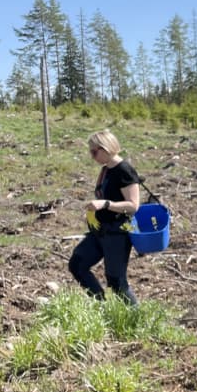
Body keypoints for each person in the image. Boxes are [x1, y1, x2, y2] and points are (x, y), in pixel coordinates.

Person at [68, 129, 141, 307]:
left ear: (106, 148)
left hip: (118, 232)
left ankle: (137, 318)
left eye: (94, 152)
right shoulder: (105, 170)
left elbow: (133, 205)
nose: (92, 156)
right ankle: (100, 306)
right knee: (77, 264)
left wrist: (106, 204)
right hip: (100, 231)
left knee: (116, 282)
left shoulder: (124, 170)